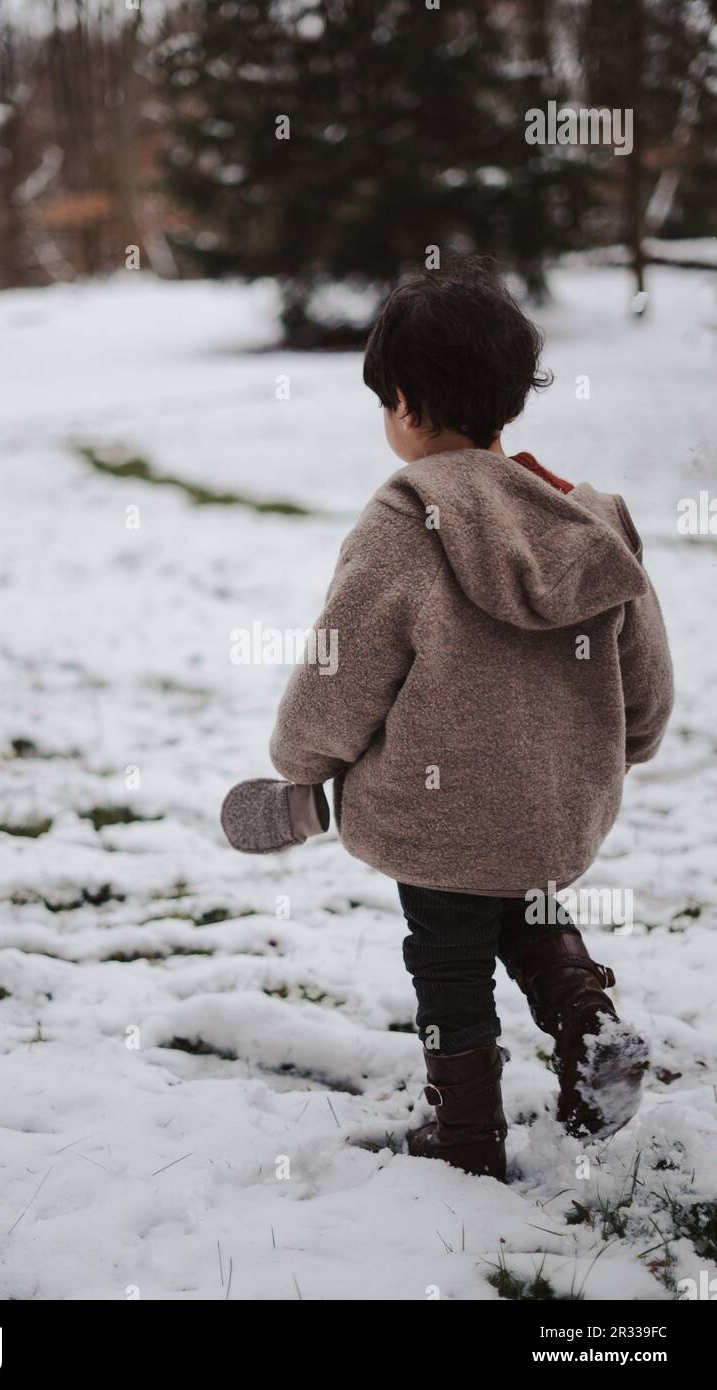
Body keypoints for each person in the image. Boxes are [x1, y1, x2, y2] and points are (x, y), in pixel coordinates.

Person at [267, 262, 674, 1182]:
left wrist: (300, 760)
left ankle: (465, 1132)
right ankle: (587, 1021)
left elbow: (343, 671)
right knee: (525, 908)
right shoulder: (591, 520)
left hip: (435, 809)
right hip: (553, 807)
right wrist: (620, 749)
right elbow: (644, 684)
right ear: (507, 400)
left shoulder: (404, 522)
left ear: (406, 404)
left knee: (448, 956)